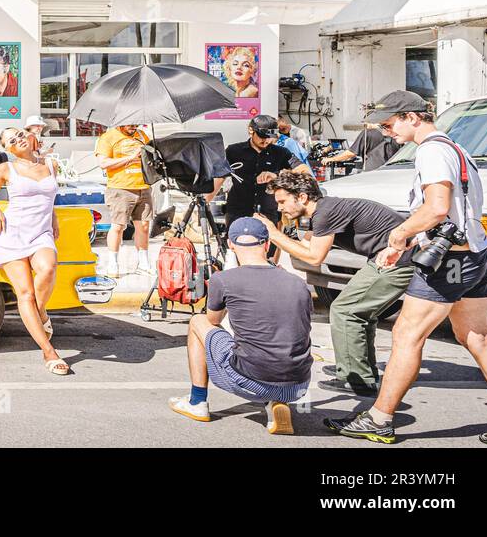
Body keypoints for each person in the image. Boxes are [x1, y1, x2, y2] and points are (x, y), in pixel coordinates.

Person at [326, 90, 487, 448]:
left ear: (412, 117)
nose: (386, 130)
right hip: (474, 254)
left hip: (449, 261)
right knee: (478, 338)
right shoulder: (454, 147)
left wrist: (398, 236)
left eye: (390, 123)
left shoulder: (432, 150)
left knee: (407, 336)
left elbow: (437, 208)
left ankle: (378, 419)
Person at [261, 170, 413, 396]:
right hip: (389, 257)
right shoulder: (324, 210)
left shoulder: (325, 212)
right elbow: (305, 248)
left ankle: (356, 379)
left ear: (301, 197)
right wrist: (279, 237)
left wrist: (273, 234)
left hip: (396, 259)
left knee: (345, 310)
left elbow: (314, 257)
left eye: (283, 201)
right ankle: (359, 370)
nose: (280, 208)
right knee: (359, 312)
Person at [168, 217, 314, 434]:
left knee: (198, 322)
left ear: (231, 245)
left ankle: (197, 401)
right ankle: (274, 403)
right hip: (297, 386)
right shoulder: (297, 283)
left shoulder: (224, 279)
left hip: (246, 380)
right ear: (266, 244)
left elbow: (213, 321)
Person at [0, 125, 67, 375]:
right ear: (7, 149)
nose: (18, 140)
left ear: (27, 136)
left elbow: (48, 197)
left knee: (48, 268)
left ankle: (39, 313)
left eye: (19, 134)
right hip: (12, 233)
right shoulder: (6, 169)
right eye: (11, 141)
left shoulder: (50, 164)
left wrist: (55, 218)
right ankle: (49, 351)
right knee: (25, 293)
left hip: (41, 233)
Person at [214, 114, 311, 225]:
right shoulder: (233, 150)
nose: (266, 141)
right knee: (235, 241)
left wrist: (277, 175)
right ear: (251, 131)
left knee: (269, 242)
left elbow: (304, 171)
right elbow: (219, 177)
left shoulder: (281, 153)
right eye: (262, 136)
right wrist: (205, 201)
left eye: (269, 137)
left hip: (268, 212)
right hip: (238, 211)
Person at [94, 122, 153, 278]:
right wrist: (130, 158)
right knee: (119, 226)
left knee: (144, 225)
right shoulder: (108, 137)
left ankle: (143, 263)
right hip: (121, 188)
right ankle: (113, 262)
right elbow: (103, 163)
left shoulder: (142, 136)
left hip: (143, 186)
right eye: (130, 124)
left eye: (136, 123)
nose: (133, 126)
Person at [320, 122, 400, 174]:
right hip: (392, 170)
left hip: (372, 171)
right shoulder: (394, 133)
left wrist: (330, 159)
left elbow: (351, 153)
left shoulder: (367, 133)